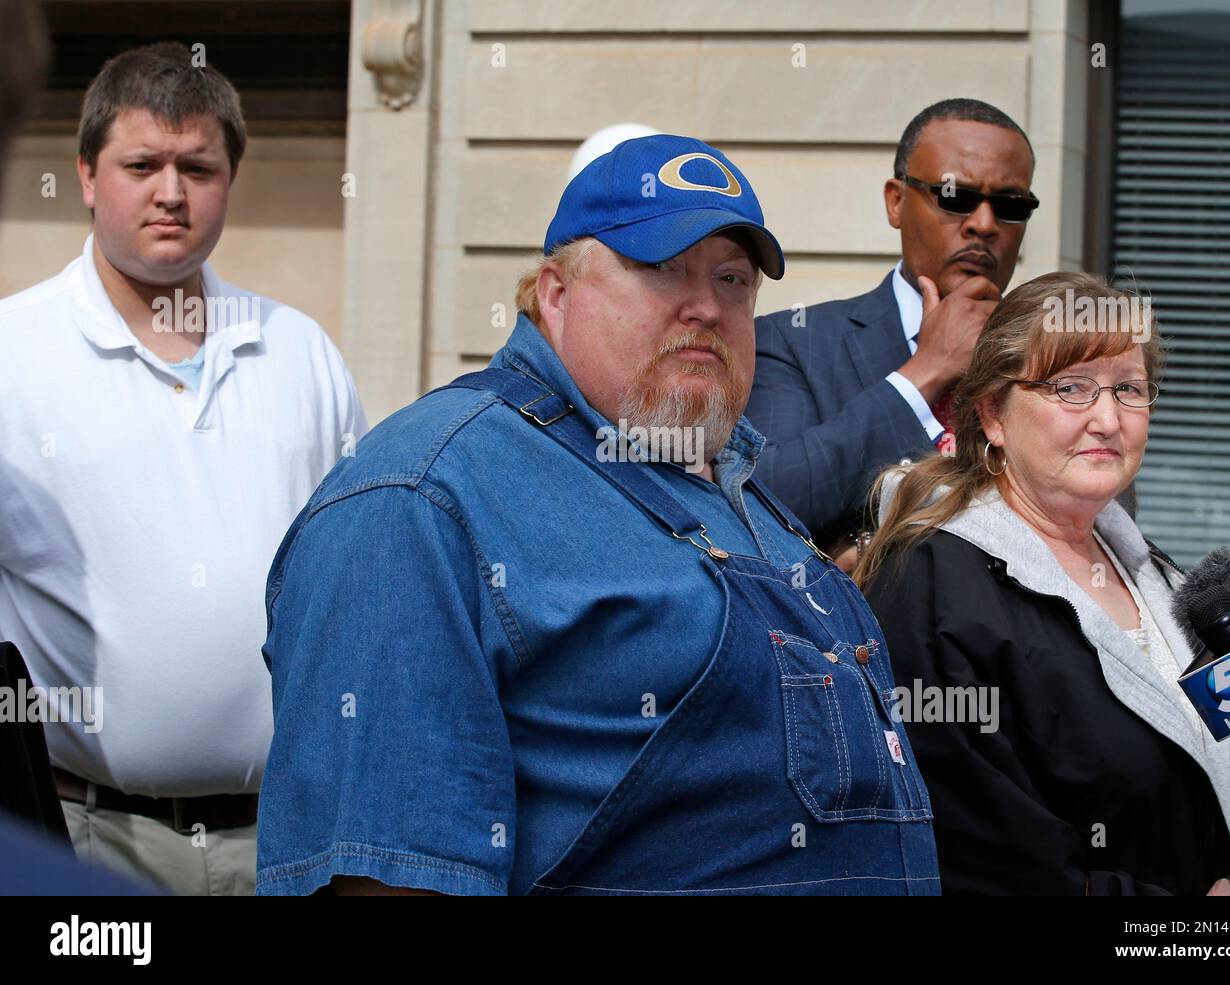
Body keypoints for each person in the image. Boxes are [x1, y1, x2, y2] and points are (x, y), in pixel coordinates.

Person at [256, 133, 939, 896]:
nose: (707, 305)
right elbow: (390, 876)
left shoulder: (750, 494)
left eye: (733, 278)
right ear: (555, 292)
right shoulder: (422, 497)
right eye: (660, 268)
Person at [0, 42, 366, 895]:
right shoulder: (12, 354)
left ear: (230, 178)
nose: (171, 191)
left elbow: (352, 581)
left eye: (197, 166)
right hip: (80, 837)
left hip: (282, 838)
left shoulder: (299, 352)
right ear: (87, 174)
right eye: (143, 164)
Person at [856, 272, 1230, 894]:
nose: (1107, 420)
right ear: (993, 415)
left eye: (1128, 390)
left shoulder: (1161, 576)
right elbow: (987, 869)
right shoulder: (930, 594)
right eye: (1071, 389)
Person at [745, 98, 1036, 560]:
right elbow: (766, 501)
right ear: (896, 202)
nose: (983, 224)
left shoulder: (1048, 358)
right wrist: (923, 376)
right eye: (954, 197)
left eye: (1010, 206)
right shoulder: (794, 342)